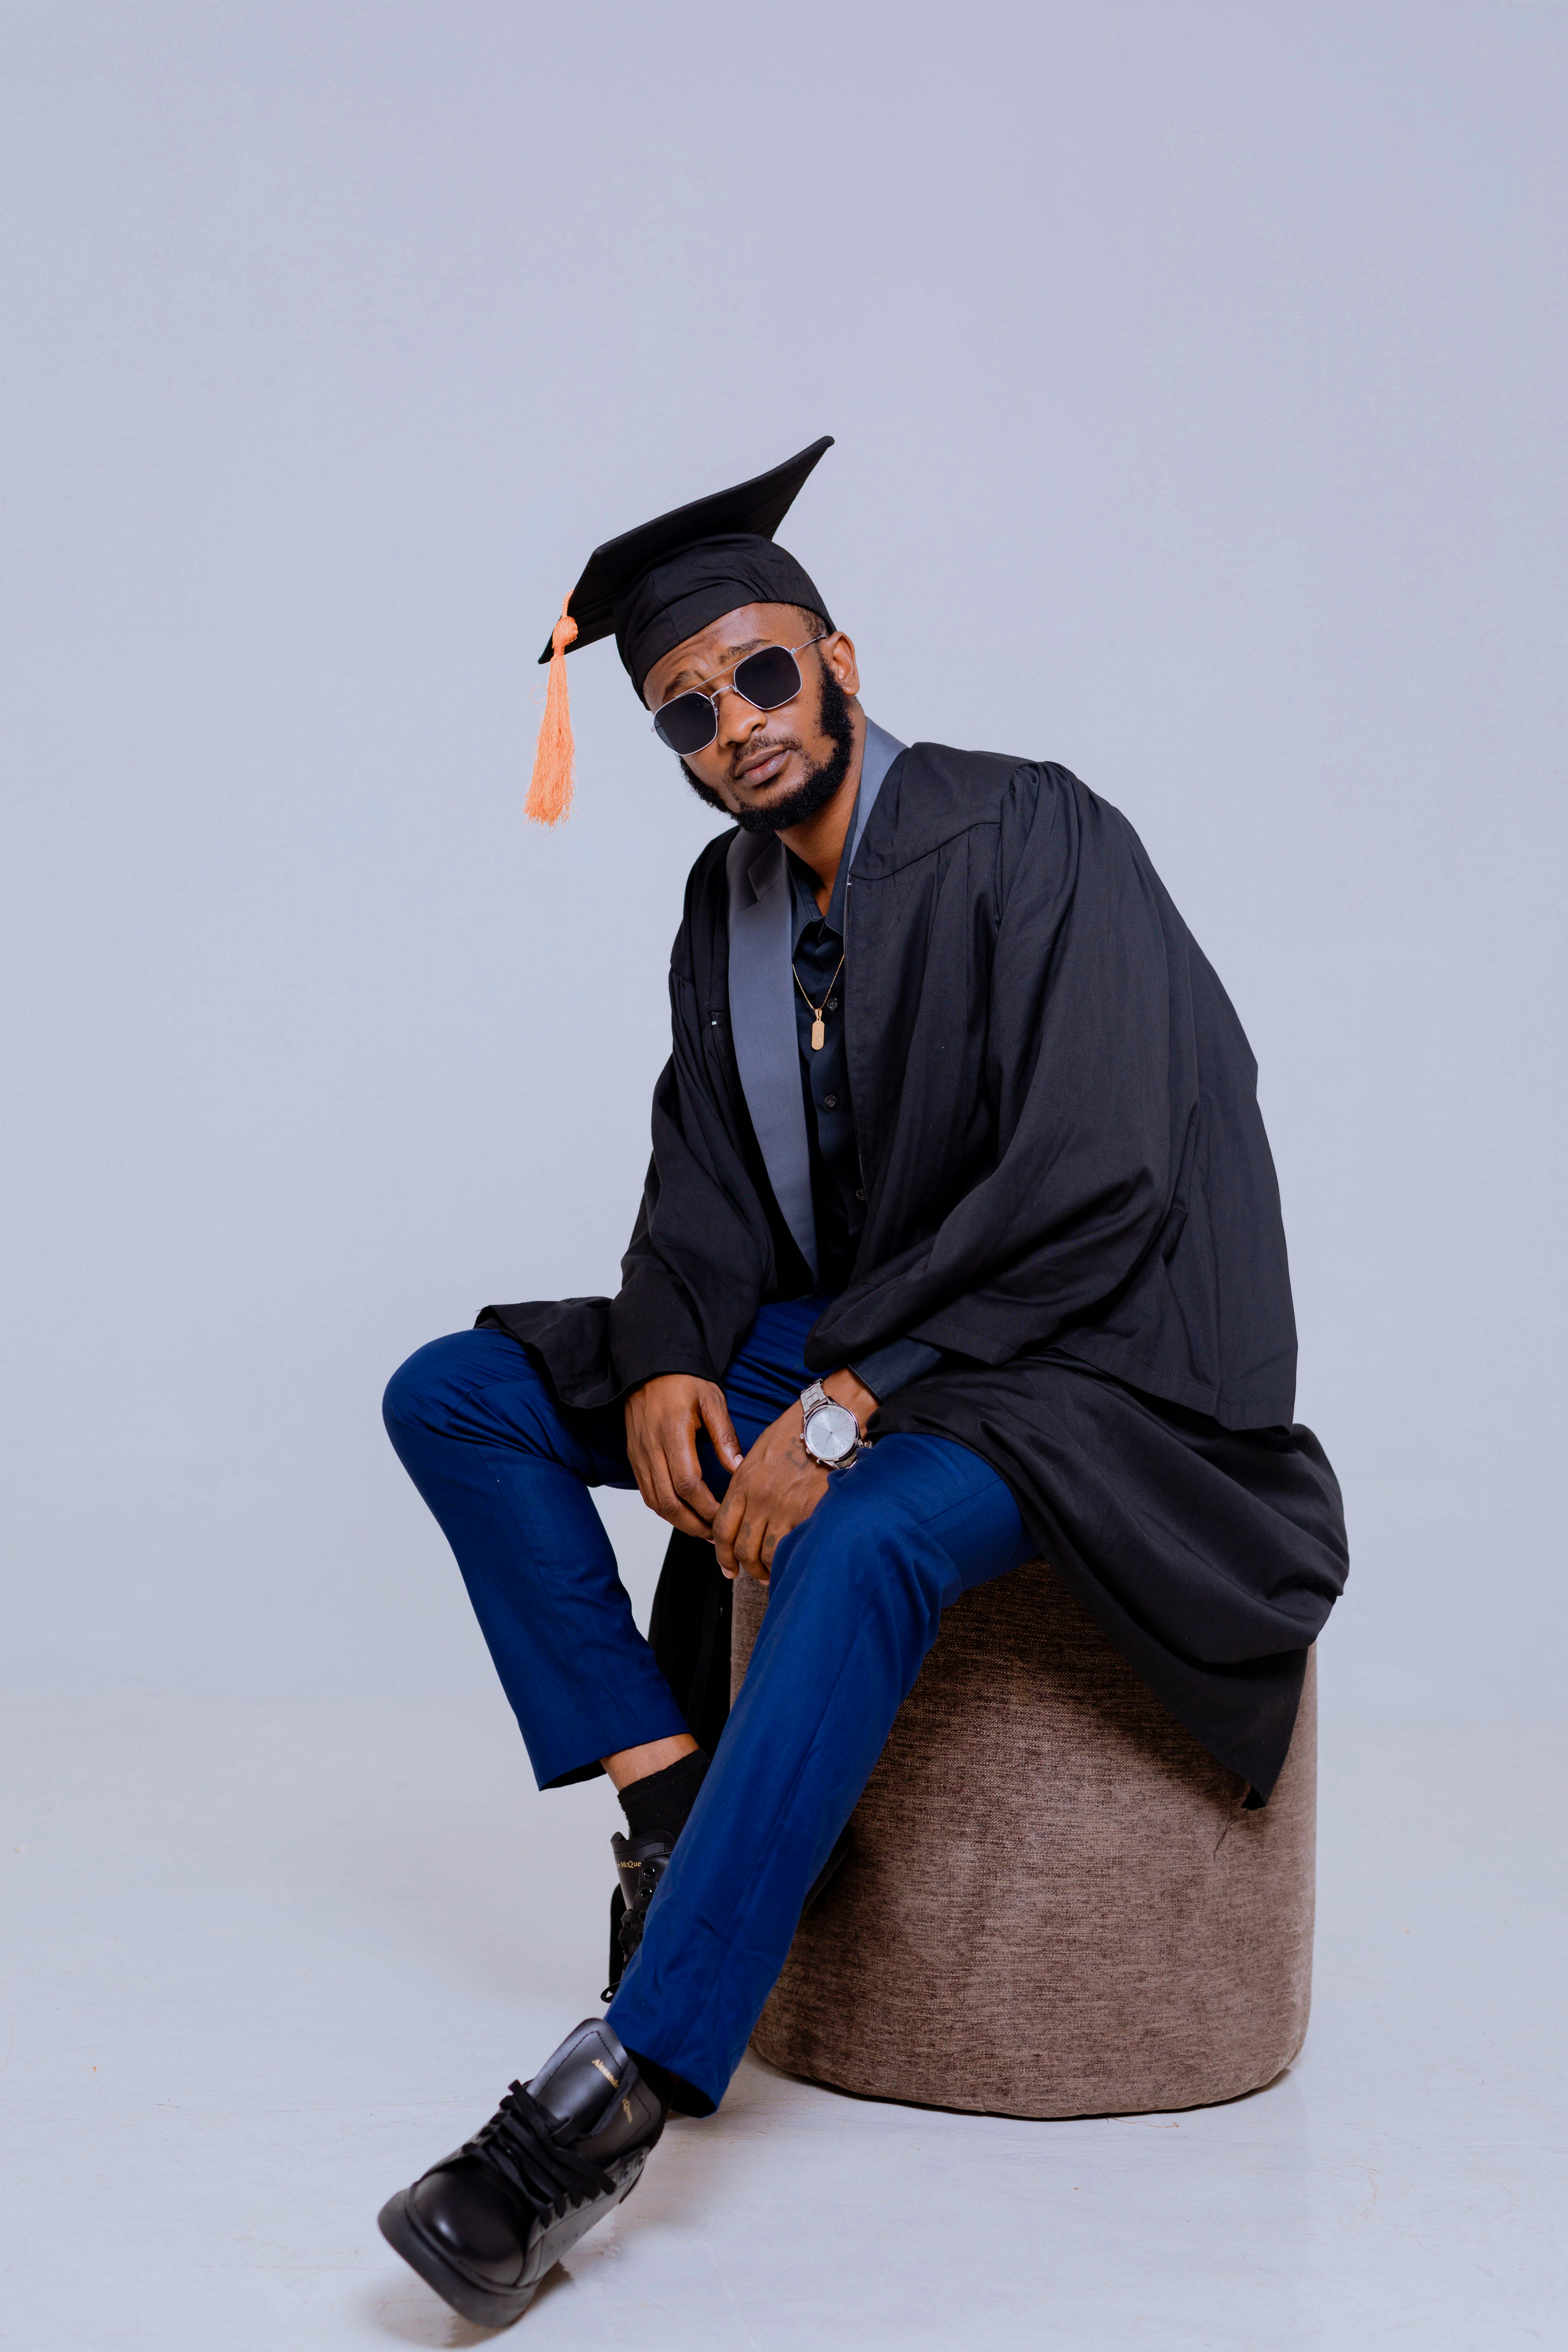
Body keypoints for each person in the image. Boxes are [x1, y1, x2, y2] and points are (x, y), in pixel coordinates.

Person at [376, 436, 1349, 2328]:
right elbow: (708, 1186)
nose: (731, 724)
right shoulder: (721, 911)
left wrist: (844, 1405)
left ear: (837, 659)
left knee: (860, 1543)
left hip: (1095, 1364)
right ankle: (683, 1826)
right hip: (863, 1339)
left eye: (756, 672)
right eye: (683, 710)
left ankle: (609, 2100)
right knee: (459, 1392)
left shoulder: (1031, 831)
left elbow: (1106, 1171)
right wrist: (672, 1360)